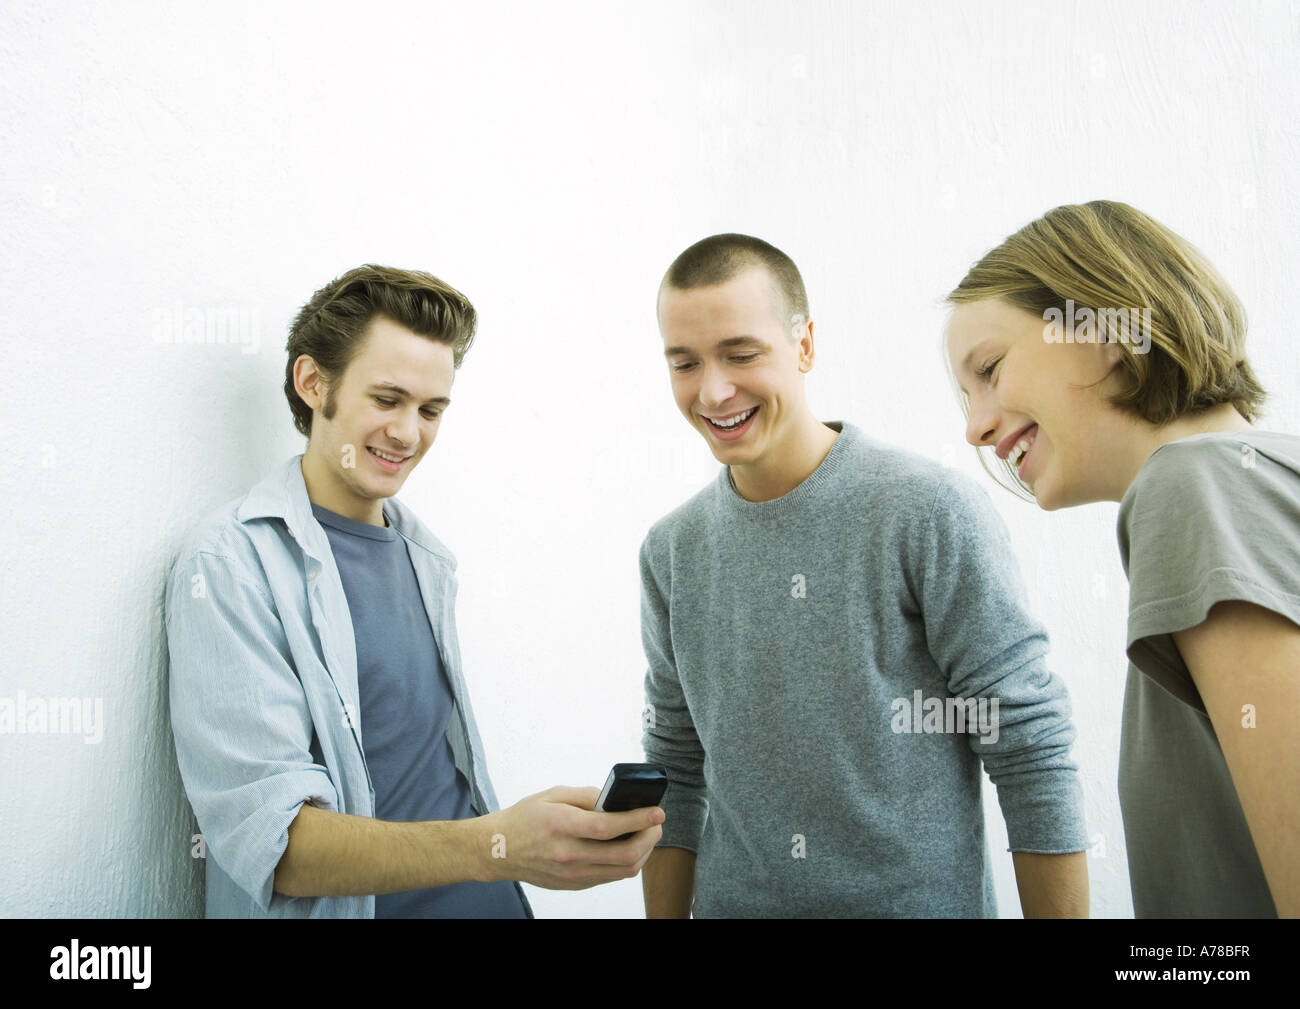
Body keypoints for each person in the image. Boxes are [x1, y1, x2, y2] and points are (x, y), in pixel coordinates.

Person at [165, 264, 662, 918]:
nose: (409, 433)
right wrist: (500, 844)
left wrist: (523, 845)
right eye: (387, 399)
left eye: (431, 409)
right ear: (313, 383)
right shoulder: (229, 562)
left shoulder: (425, 556)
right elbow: (276, 846)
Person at [638, 234, 1091, 918]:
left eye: (741, 353)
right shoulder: (671, 550)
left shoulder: (926, 510)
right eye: (684, 362)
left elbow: (1028, 746)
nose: (713, 390)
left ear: (805, 345)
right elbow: (674, 763)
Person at [943, 200, 1300, 918]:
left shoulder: (1190, 487)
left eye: (990, 369)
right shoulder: (1264, 474)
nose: (977, 426)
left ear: (1106, 329)